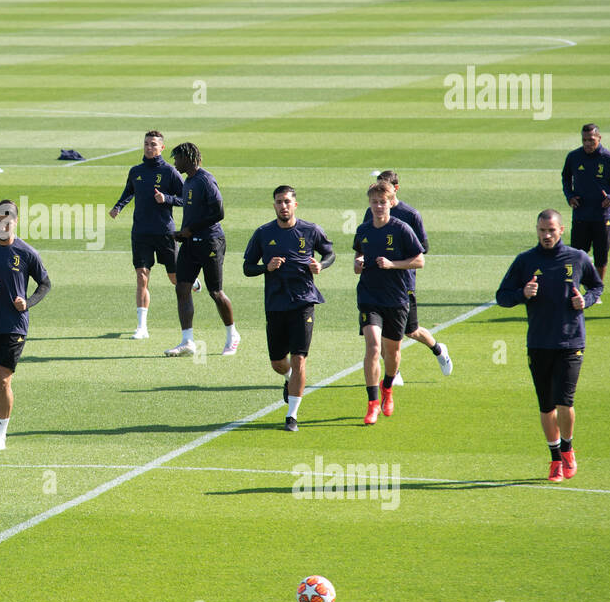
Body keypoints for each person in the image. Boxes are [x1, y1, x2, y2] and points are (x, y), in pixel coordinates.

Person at [495, 209, 603, 482]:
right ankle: (555, 459)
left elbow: (597, 287)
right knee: (546, 407)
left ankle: (567, 449)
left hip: (571, 341)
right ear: (537, 230)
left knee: (564, 402)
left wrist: (586, 301)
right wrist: (522, 293)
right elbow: (501, 297)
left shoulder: (577, 258)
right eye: (542, 230)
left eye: (551, 230)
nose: (546, 235)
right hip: (539, 342)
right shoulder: (525, 261)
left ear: (561, 230)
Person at [243, 186, 334, 431]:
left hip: (303, 303)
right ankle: (288, 379)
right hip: (275, 305)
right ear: (274, 206)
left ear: (295, 204)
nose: (283, 206)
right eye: (278, 202)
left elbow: (330, 253)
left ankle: (291, 416)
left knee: (299, 359)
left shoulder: (310, 230)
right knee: (278, 363)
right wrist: (266, 268)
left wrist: (321, 266)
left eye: (287, 201)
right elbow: (247, 267)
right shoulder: (263, 233)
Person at [0, 200, 51, 451]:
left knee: (3, 381)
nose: (3, 223)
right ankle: (1, 410)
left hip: (14, 326)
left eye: (8, 219)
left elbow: (45, 284)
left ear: (15, 221)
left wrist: (28, 302)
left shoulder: (26, 253)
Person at [362, 170, 452, 382]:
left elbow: (423, 250)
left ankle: (438, 349)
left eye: (386, 191)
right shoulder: (371, 213)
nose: (381, 199)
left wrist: (394, 261)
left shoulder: (410, 215)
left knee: (411, 331)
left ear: (395, 189)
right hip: (375, 284)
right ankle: (393, 373)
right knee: (378, 332)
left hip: (402, 284)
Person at [353, 181, 425, 425]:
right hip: (369, 296)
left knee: (392, 353)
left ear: (390, 202)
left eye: (383, 202)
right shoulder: (363, 230)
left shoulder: (402, 229)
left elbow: (419, 260)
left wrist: (393, 264)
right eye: (374, 202)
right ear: (370, 203)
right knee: (373, 348)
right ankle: (372, 403)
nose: (378, 206)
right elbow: (358, 253)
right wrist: (358, 262)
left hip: (396, 298)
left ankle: (387, 388)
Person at [108, 130, 191, 339]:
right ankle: (142, 327)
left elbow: (185, 198)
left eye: (153, 144)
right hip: (141, 233)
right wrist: (118, 207)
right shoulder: (136, 170)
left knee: (175, 278)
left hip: (165, 232)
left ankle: (193, 282)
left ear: (162, 148)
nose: (149, 147)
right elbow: (129, 191)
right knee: (142, 277)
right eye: (146, 143)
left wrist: (167, 199)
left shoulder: (171, 172)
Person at [163, 142, 239, 357]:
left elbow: (219, 212)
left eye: (177, 158)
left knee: (215, 292)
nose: (175, 162)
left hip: (211, 242)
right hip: (190, 243)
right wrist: (181, 233)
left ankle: (232, 335)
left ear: (187, 158)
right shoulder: (188, 182)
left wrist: (190, 230)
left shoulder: (205, 179)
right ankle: (187, 341)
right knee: (182, 288)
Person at [561, 123, 610, 285]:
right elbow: (565, 177)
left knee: (601, 257)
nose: (587, 144)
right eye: (584, 140)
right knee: (576, 255)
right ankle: (575, 288)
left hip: (602, 216)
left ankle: (597, 290)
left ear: (599, 138)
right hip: (580, 215)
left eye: (591, 140)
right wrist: (569, 195)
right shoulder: (574, 157)